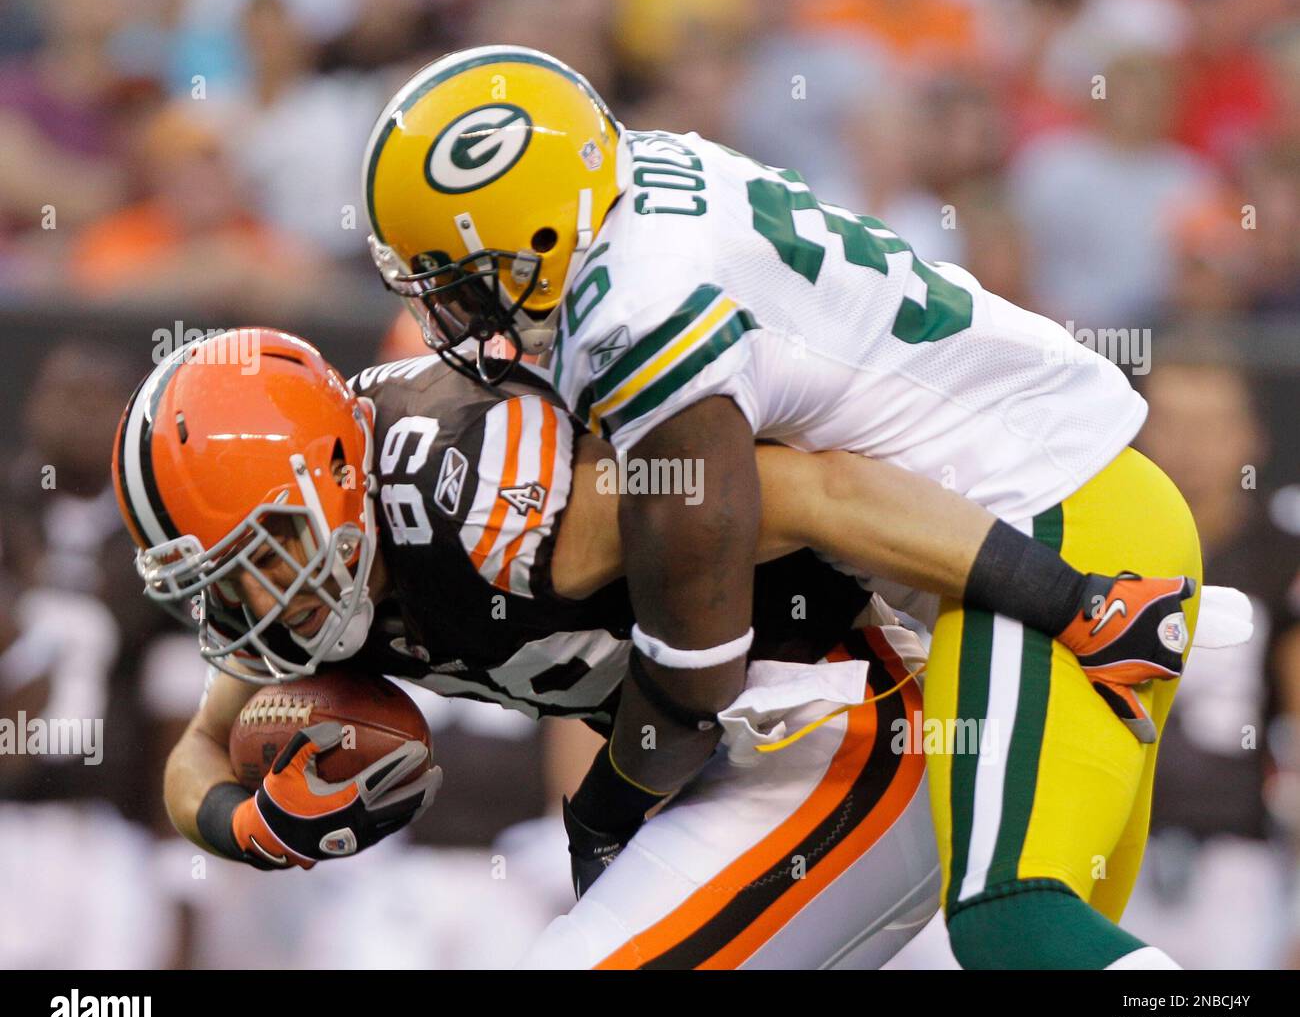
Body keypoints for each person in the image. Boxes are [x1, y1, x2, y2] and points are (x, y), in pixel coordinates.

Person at [361, 46, 1212, 969]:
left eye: (463, 280)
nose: (454, 318)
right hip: (1046, 510)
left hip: (1045, 521)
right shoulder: (624, 176)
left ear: (541, 236)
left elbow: (696, 668)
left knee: (1014, 924)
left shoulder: (637, 313)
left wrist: (607, 809)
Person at [114, 328, 1217, 968]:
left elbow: (805, 489)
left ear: (342, 484)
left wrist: (1067, 597)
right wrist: (245, 822)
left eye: (268, 552)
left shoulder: (490, 496)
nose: (256, 597)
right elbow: (199, 753)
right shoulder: (309, 572)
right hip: (729, 753)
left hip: (845, 704)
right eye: (218, 577)